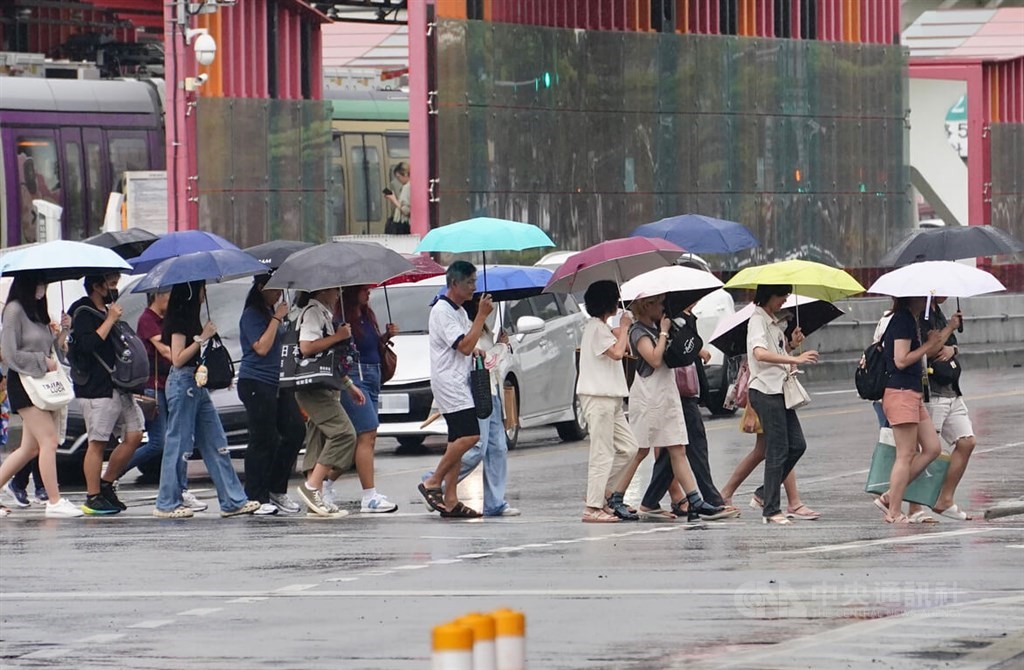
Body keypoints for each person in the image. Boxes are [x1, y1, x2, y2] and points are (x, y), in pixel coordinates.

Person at [152, 280, 259, 519]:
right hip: (183, 383)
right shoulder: (179, 319)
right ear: (191, 291)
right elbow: (178, 359)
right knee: (179, 444)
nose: (205, 292)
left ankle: (232, 500)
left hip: (197, 383)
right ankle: (166, 502)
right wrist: (202, 337)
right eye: (202, 288)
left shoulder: (194, 318)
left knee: (216, 441)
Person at [616, 294, 727, 522]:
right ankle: (616, 497)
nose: (662, 308)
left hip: (666, 393)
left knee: (678, 448)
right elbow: (655, 359)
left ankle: (695, 500)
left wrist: (675, 333)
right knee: (640, 450)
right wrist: (664, 332)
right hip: (648, 398)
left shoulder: (655, 327)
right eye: (659, 304)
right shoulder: (638, 331)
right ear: (647, 306)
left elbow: (675, 352)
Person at [423, 297, 520, 517]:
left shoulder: (485, 329)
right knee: (477, 447)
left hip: (491, 390)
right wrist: (502, 347)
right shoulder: (466, 325)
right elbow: (483, 359)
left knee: (498, 448)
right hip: (475, 392)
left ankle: (495, 502)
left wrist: (498, 342)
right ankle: (435, 482)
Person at [0, 273, 82, 518]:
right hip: (24, 384)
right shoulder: (13, 311)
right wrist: (41, 361)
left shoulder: (37, 312)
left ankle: (52, 499)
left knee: (29, 448)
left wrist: (64, 331)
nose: (43, 288)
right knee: (49, 440)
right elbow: (9, 353)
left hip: (41, 383)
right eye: (39, 283)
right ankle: (54, 501)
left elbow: (51, 350)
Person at [873, 297, 960, 524]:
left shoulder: (912, 319)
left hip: (912, 393)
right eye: (924, 296)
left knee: (932, 448)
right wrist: (928, 346)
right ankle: (893, 511)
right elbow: (901, 360)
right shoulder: (902, 320)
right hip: (900, 392)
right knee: (906, 454)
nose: (928, 300)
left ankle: (890, 496)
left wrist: (934, 341)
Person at [418, 261, 492, 519]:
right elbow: (463, 346)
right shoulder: (442, 311)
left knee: (456, 440)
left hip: (459, 379)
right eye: (469, 282)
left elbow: (467, 345)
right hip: (449, 382)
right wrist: (481, 316)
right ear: (454, 283)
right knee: (470, 436)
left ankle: (451, 500)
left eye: (474, 282)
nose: (473, 287)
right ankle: (432, 481)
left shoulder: (458, 310)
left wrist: (476, 348)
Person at [121, 290, 206, 511]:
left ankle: (181, 488)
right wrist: (196, 343)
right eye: (168, 295)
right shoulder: (147, 320)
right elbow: (169, 353)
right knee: (160, 441)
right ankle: (114, 471)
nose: (172, 299)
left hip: (169, 383)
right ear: (157, 295)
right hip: (154, 386)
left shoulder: (167, 319)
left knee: (178, 439)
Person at [68, 273, 144, 515]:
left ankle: (106, 483)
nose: (115, 288)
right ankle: (93, 496)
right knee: (97, 442)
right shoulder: (82, 311)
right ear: (96, 286)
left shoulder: (107, 310)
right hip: (96, 388)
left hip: (119, 385)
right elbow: (87, 346)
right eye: (111, 284)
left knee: (135, 435)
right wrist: (110, 320)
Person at [746, 284, 819, 525]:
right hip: (765, 390)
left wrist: (790, 345)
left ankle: (763, 493)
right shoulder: (757, 320)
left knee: (797, 445)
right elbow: (759, 353)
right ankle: (771, 510)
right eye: (781, 296)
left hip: (779, 390)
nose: (784, 301)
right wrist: (795, 357)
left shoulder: (773, 323)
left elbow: (775, 352)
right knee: (777, 449)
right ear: (769, 295)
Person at [321, 285, 398, 513]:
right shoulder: (342, 319)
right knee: (367, 434)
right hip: (356, 377)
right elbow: (340, 352)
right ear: (353, 292)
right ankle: (369, 496)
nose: (369, 293)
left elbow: (370, 346)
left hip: (373, 376)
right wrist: (342, 335)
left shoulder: (366, 316)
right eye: (364, 289)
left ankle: (325, 483)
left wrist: (386, 336)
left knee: (359, 439)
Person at [292, 287, 366, 517]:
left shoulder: (322, 313)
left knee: (317, 438)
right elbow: (306, 347)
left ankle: (316, 500)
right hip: (313, 387)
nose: (338, 293)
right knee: (344, 433)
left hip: (322, 384)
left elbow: (327, 358)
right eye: (335, 290)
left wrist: (348, 385)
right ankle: (312, 487)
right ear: (323, 291)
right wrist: (338, 336)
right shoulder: (313, 311)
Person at [237, 275, 305, 515]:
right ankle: (255, 496)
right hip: (256, 381)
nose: (278, 294)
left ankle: (276, 489)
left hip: (278, 381)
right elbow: (261, 347)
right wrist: (277, 318)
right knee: (263, 438)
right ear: (261, 288)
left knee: (295, 431)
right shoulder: (252, 315)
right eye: (274, 289)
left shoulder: (270, 313)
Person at [577, 280, 640, 523]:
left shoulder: (601, 328)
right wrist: (623, 327)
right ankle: (592, 507)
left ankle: (600, 491)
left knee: (629, 448)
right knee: (602, 453)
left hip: (611, 398)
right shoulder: (595, 328)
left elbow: (621, 348)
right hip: (598, 397)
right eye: (615, 298)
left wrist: (620, 331)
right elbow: (616, 354)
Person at [921, 297, 975, 521]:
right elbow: (928, 350)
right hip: (933, 392)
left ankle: (944, 498)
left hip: (952, 390)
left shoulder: (938, 311)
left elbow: (948, 346)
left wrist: (953, 347)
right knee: (927, 451)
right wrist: (951, 326)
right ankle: (903, 502)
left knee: (967, 441)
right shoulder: (921, 313)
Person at [719, 407, 820, 520]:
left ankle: (726, 494)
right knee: (780, 449)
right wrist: (751, 411)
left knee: (765, 450)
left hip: (774, 402)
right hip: (767, 402)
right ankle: (793, 503)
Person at [384, 162, 411, 234]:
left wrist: (394, 200)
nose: (399, 180)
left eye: (399, 177)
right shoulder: (409, 186)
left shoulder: (407, 187)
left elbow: (406, 210)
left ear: (405, 174)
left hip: (403, 225)